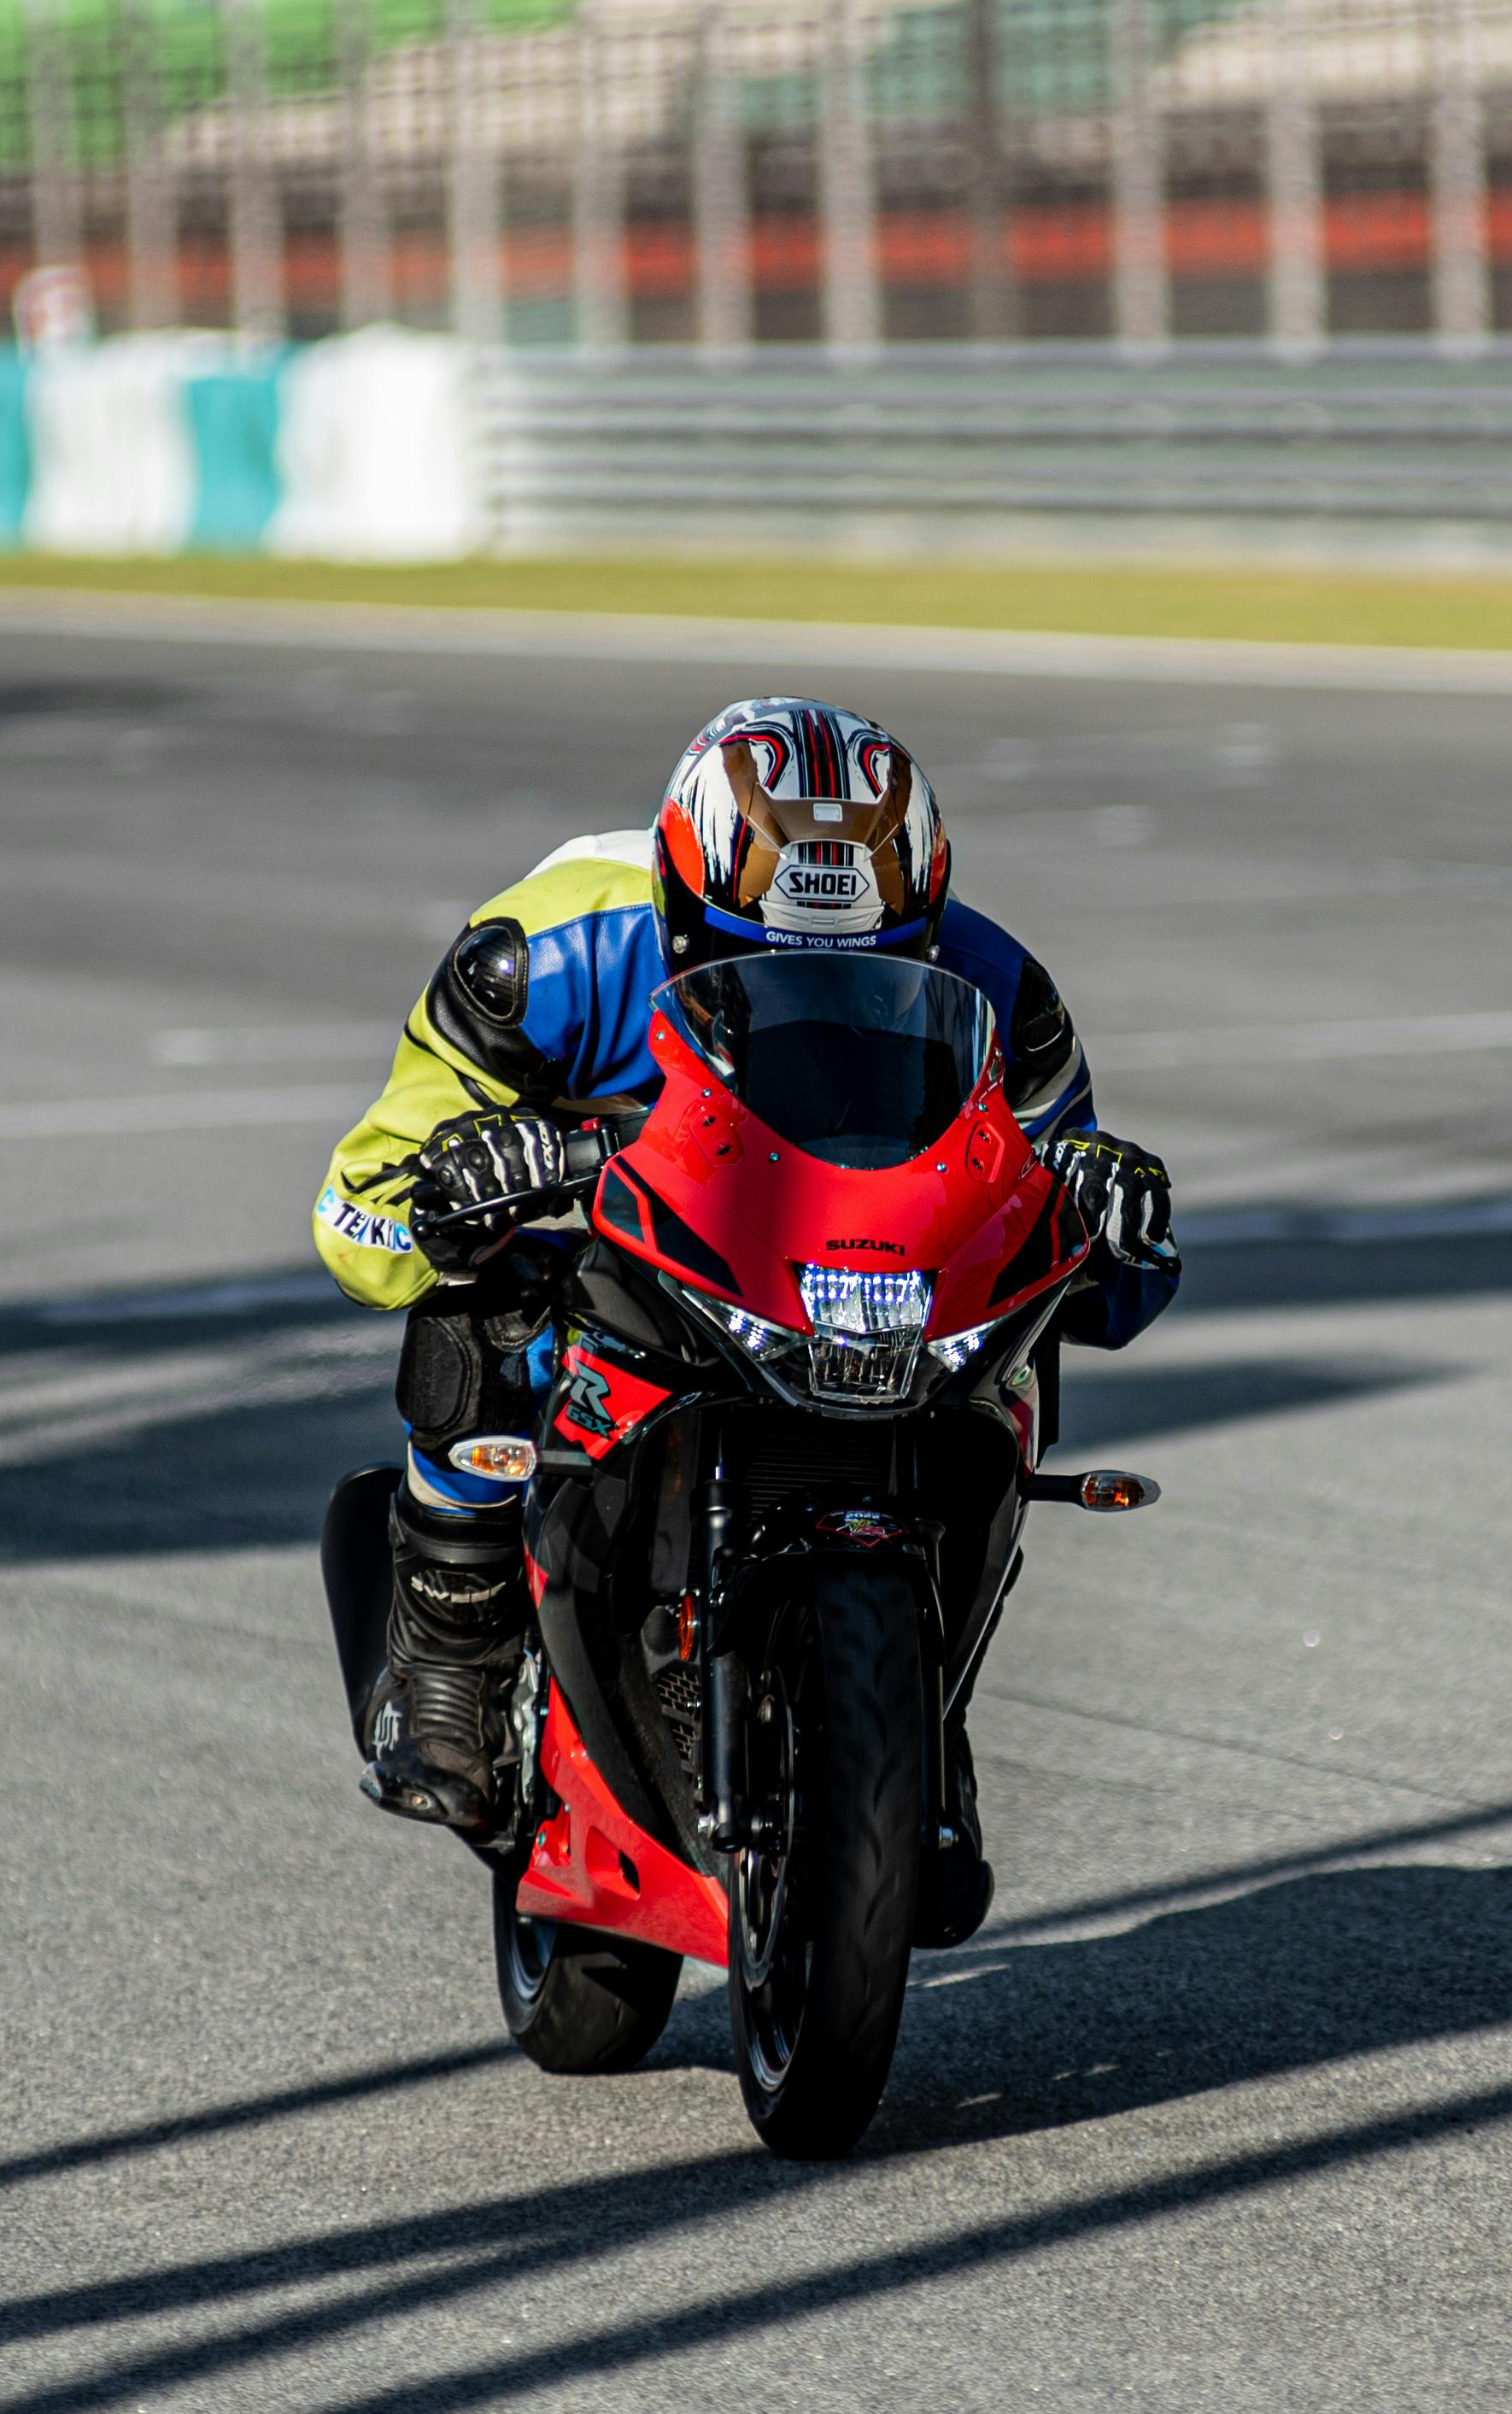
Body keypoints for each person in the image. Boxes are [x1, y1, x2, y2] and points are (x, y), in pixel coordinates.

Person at [314, 696, 1179, 1838]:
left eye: (861, 975)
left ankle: (932, 1698)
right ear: (682, 904)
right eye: (754, 965)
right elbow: (358, 1213)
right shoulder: (541, 960)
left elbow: (1105, 1277)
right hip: (621, 1243)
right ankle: (453, 1652)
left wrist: (1104, 1206)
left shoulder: (1001, 993)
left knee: (1014, 1365)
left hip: (858, 1272)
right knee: (484, 1308)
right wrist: (458, 1187)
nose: (805, 1000)